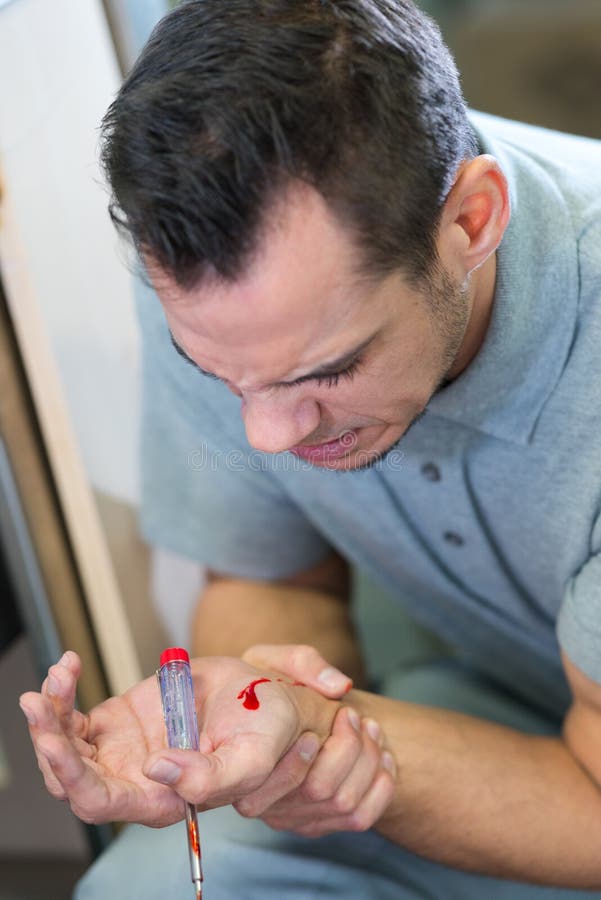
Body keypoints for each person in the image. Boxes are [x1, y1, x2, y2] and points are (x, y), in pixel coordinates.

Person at [19, 0, 601, 897]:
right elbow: (268, 579)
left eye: (326, 369)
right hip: (495, 705)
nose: (266, 434)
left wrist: (323, 735)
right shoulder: (232, 303)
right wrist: (262, 726)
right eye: (220, 375)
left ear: (472, 221)